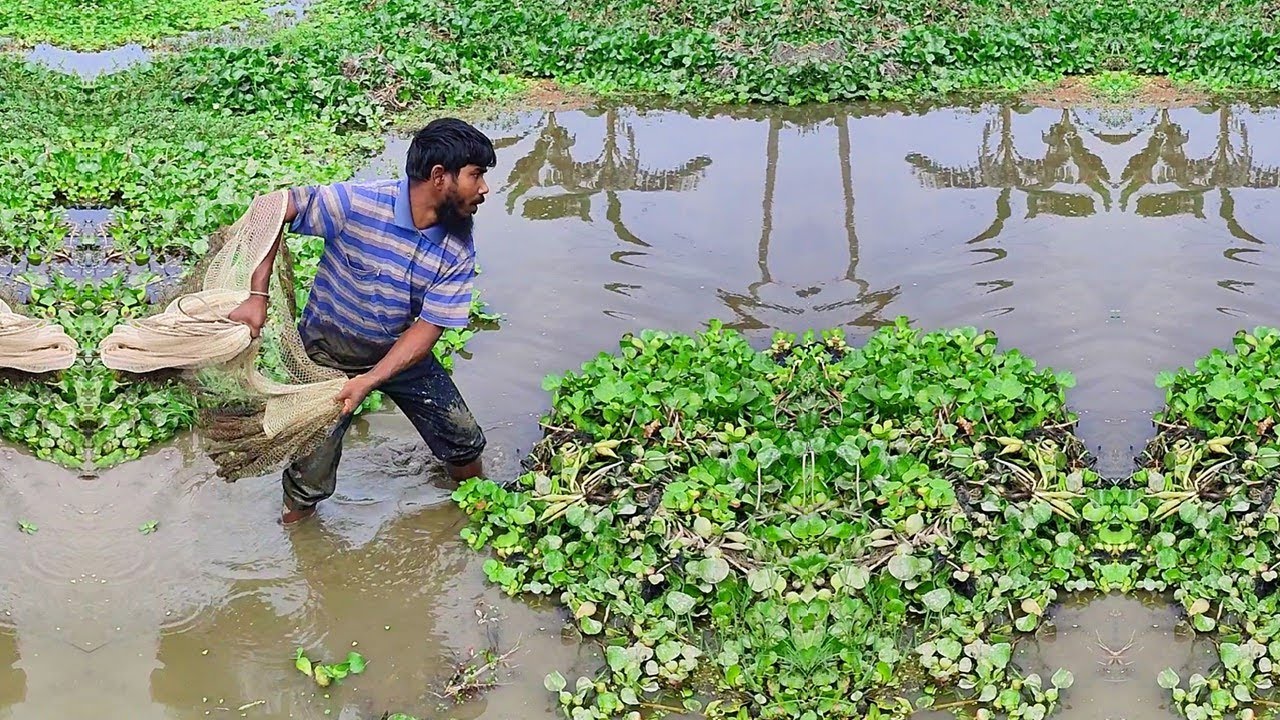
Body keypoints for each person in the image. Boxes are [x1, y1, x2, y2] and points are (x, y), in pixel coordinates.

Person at [227, 117, 496, 524]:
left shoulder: (458, 246)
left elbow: (427, 330)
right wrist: (257, 294)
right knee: (307, 480)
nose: (484, 188)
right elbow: (271, 206)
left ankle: (478, 513)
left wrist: (370, 380)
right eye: (476, 175)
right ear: (440, 176)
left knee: (463, 441)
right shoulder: (359, 204)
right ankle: (298, 530)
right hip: (324, 354)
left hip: (397, 350)